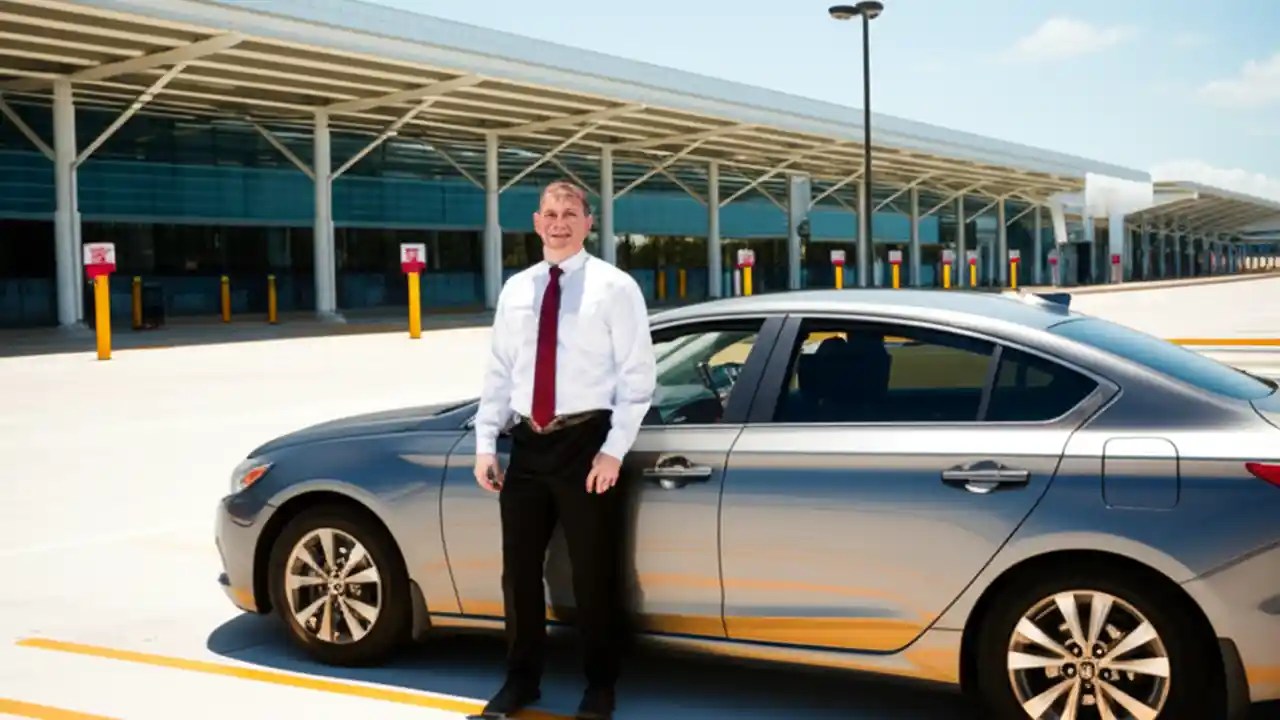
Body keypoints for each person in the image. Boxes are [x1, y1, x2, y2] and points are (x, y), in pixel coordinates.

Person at [471, 179, 656, 720]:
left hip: (587, 444)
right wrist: (487, 443)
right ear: (536, 222)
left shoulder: (614, 287)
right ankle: (520, 680)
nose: (559, 221)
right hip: (527, 444)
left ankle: (600, 686)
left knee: (593, 574)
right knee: (519, 573)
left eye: (570, 212)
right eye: (550, 213)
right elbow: (500, 371)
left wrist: (613, 450)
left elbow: (637, 377)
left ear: (588, 222)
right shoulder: (516, 289)